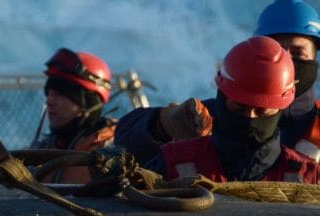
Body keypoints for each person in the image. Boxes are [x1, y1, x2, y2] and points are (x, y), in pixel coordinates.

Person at [129, 36, 317, 183]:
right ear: (222, 98)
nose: (250, 118)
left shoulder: (310, 176)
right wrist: (160, 121)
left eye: (261, 112)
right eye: (240, 107)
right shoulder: (171, 163)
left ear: (279, 111)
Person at [29, 48, 116, 183]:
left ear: (87, 102)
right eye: (49, 93)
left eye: (60, 94)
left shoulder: (112, 149)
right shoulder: (44, 148)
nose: (49, 101)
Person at [254, 0, 320, 162]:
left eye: (298, 53)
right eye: (276, 51)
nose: (286, 61)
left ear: (314, 58)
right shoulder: (222, 117)